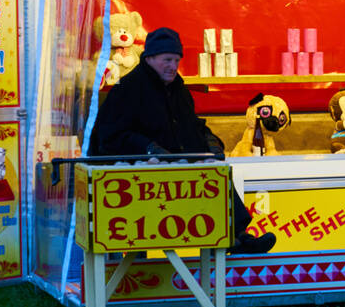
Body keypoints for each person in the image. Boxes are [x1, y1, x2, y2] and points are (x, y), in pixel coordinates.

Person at [89, 26, 276, 254]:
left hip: (173, 168)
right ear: (149, 58)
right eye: (167, 59)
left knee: (214, 170)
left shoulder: (178, 88)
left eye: (177, 60)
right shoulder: (127, 89)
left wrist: (211, 143)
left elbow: (190, 125)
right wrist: (150, 149)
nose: (173, 66)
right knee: (198, 174)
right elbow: (111, 136)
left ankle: (236, 235)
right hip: (135, 177)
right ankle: (232, 238)